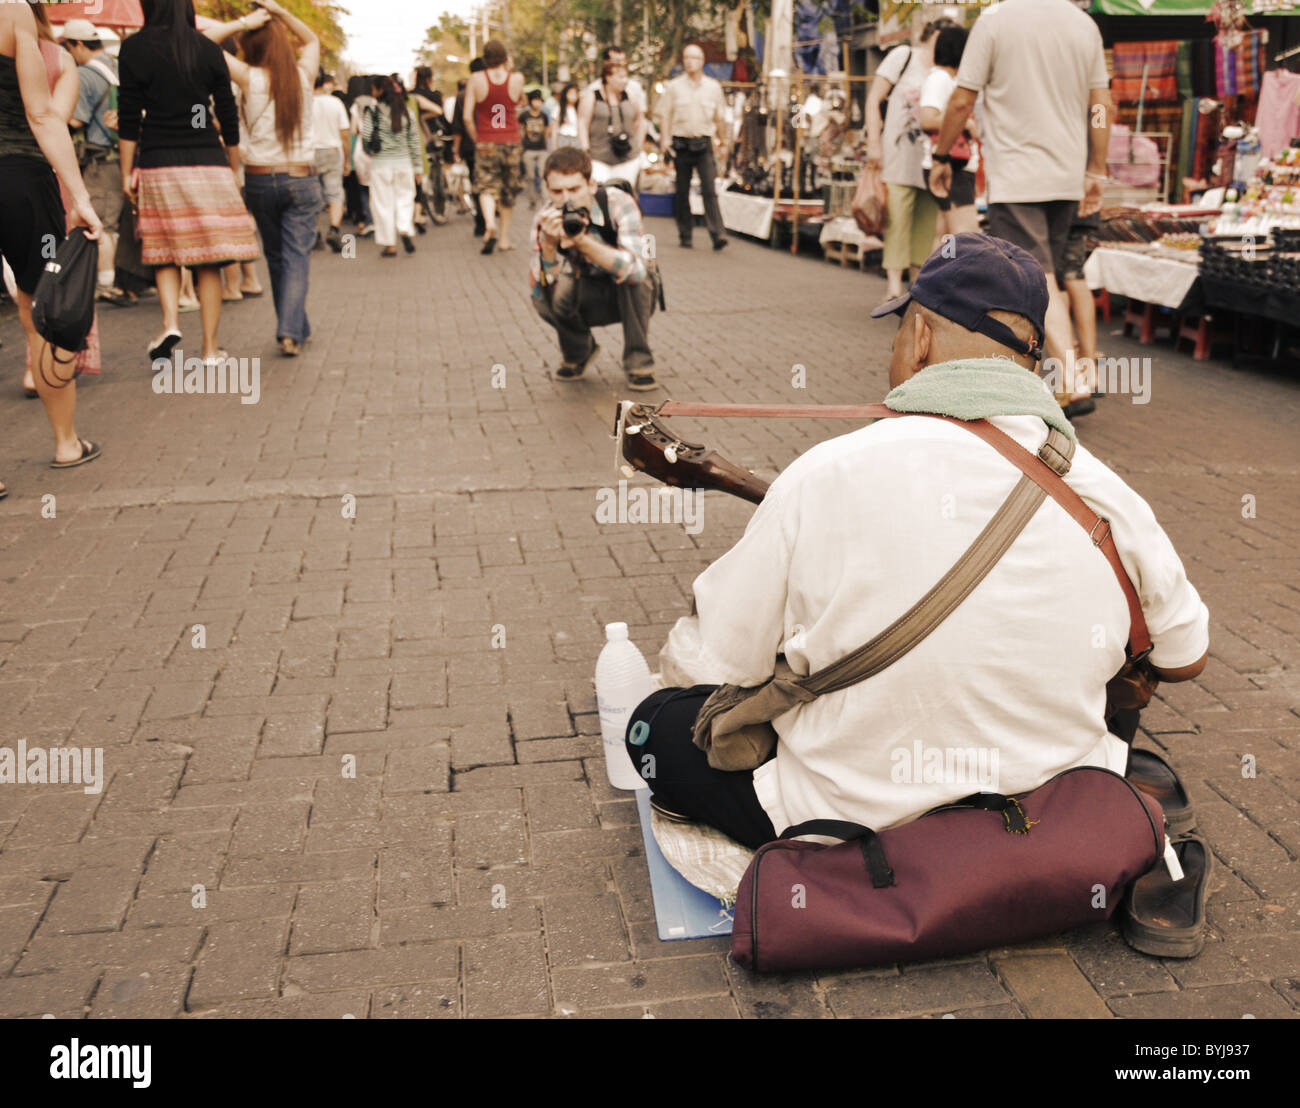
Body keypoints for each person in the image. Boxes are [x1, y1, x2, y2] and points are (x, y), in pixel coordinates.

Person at [633, 234, 1210, 851]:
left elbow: (731, 660)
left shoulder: (823, 472)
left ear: (921, 339)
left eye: (898, 331)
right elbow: (1184, 660)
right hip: (1047, 807)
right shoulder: (1107, 492)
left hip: (853, 821)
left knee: (655, 726)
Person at [930, 0, 1113, 418]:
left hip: (1018, 175)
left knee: (1038, 275)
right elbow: (1101, 105)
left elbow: (961, 100)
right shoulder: (1083, 24)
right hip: (1067, 176)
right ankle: (1054, 376)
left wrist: (941, 155)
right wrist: (1096, 168)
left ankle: (1071, 379)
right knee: (1048, 276)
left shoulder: (994, 21)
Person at [118, 0, 258, 369]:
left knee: (164, 251)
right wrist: (232, 167)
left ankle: (170, 323)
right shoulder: (207, 49)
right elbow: (227, 113)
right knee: (209, 259)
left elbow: (129, 117)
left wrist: (127, 171)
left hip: (158, 161)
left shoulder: (133, 48)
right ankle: (210, 350)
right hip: (207, 161)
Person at [0, 0, 104, 491]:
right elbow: (41, 114)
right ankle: (66, 443)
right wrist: (79, 199)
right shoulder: (12, 10)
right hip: (20, 181)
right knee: (42, 310)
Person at [208, 0, 321, 359]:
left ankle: (294, 327)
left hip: (260, 180)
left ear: (251, 46)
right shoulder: (304, 76)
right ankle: (291, 329)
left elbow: (206, 42)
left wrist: (244, 21)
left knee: (275, 257)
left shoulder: (248, 76)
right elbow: (312, 40)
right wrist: (281, 13)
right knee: (296, 257)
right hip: (301, 178)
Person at [530, 146, 659, 391]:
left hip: (627, 294)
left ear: (591, 185)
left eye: (574, 189)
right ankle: (579, 351)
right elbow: (541, 286)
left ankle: (639, 360)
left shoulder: (618, 203)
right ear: (547, 190)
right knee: (542, 296)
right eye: (557, 191)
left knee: (639, 279)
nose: (566, 199)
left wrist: (582, 242)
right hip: (585, 289)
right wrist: (549, 246)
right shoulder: (545, 219)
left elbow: (637, 271)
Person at [864, 17, 956, 303]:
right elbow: (874, 99)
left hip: (933, 156)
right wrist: (874, 143)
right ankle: (894, 285)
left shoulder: (948, 68)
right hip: (898, 153)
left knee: (927, 221)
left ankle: (917, 283)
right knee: (897, 217)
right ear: (931, 34)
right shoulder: (903, 56)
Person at [59, 18, 126, 305]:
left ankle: (106, 284)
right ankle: (117, 280)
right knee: (115, 220)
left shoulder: (84, 74)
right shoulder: (116, 66)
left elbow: (75, 120)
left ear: (77, 45)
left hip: (100, 161)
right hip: (123, 156)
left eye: (68, 47)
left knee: (101, 223)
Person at [657, 43, 728, 251]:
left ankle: (717, 233)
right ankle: (685, 233)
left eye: (694, 58)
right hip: (681, 143)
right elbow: (665, 115)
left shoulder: (713, 87)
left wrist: (724, 142)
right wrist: (665, 139)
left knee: (709, 189)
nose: (690, 62)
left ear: (702, 61)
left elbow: (720, 118)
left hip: (704, 142)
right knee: (682, 190)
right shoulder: (674, 87)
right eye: (687, 58)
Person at [463, 40, 524, 255]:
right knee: (508, 191)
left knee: (486, 187)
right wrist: (509, 68)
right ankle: (504, 238)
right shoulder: (516, 79)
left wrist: (477, 138)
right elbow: (521, 103)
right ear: (505, 57)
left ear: (485, 58)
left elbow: (467, 117)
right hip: (511, 141)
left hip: (486, 141)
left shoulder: (476, 79)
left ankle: (490, 223)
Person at [919, 25, 980, 237]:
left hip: (951, 163)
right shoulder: (940, 79)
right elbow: (928, 119)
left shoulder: (945, 79)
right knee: (965, 234)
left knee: (946, 234)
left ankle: (942, 260)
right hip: (953, 165)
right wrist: (965, 124)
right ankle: (952, 261)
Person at [360, 74, 421, 257]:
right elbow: (414, 141)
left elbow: (366, 137)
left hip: (381, 165)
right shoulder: (406, 112)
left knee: (383, 205)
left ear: (380, 90)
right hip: (404, 164)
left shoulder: (372, 111)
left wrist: (369, 151)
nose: (372, 92)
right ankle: (404, 228)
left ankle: (390, 245)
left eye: (373, 89)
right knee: (405, 199)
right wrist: (418, 168)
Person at [578, 60, 644, 189]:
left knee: (623, 194)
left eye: (626, 77)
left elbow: (640, 120)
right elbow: (582, 123)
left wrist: (638, 144)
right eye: (620, 77)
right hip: (598, 157)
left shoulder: (630, 96)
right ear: (608, 77)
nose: (624, 81)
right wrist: (585, 149)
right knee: (601, 193)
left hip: (628, 157)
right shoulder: (592, 96)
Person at [312, 71, 350, 252]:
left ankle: (315, 233)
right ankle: (334, 229)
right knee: (335, 193)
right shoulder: (336, 103)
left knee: (313, 194)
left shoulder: (303, 102)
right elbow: (345, 134)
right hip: (332, 150)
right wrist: (347, 160)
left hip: (309, 153)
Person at [451, 59, 487, 237]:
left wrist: (456, 149)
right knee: (491, 183)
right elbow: (500, 119)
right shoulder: (492, 91)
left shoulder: (462, 95)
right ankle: (490, 215)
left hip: (471, 146)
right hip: (493, 144)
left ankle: (481, 220)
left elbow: (459, 125)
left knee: (476, 183)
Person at [411, 65, 448, 225]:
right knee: (437, 175)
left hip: (416, 138)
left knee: (417, 174)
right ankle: (439, 211)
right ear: (429, 78)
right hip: (433, 138)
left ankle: (419, 208)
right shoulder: (436, 95)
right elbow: (440, 112)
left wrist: (419, 118)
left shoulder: (411, 95)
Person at [344, 74, 374, 235]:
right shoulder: (376, 102)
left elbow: (353, 130)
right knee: (376, 187)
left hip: (361, 150)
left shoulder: (356, 105)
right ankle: (378, 219)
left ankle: (367, 220)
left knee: (362, 188)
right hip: (376, 150)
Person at [520, 88, 551, 208]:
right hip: (528, 149)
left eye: (539, 100)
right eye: (535, 100)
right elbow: (520, 129)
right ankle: (532, 199)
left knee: (543, 175)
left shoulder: (544, 115)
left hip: (542, 149)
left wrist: (547, 145)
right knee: (531, 176)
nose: (538, 103)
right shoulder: (524, 115)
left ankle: (545, 199)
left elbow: (547, 130)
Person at [553, 82, 581, 148]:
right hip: (563, 138)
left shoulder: (579, 109)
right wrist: (554, 146)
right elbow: (554, 128)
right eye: (571, 93)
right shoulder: (559, 108)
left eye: (575, 93)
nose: (573, 96)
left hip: (575, 139)